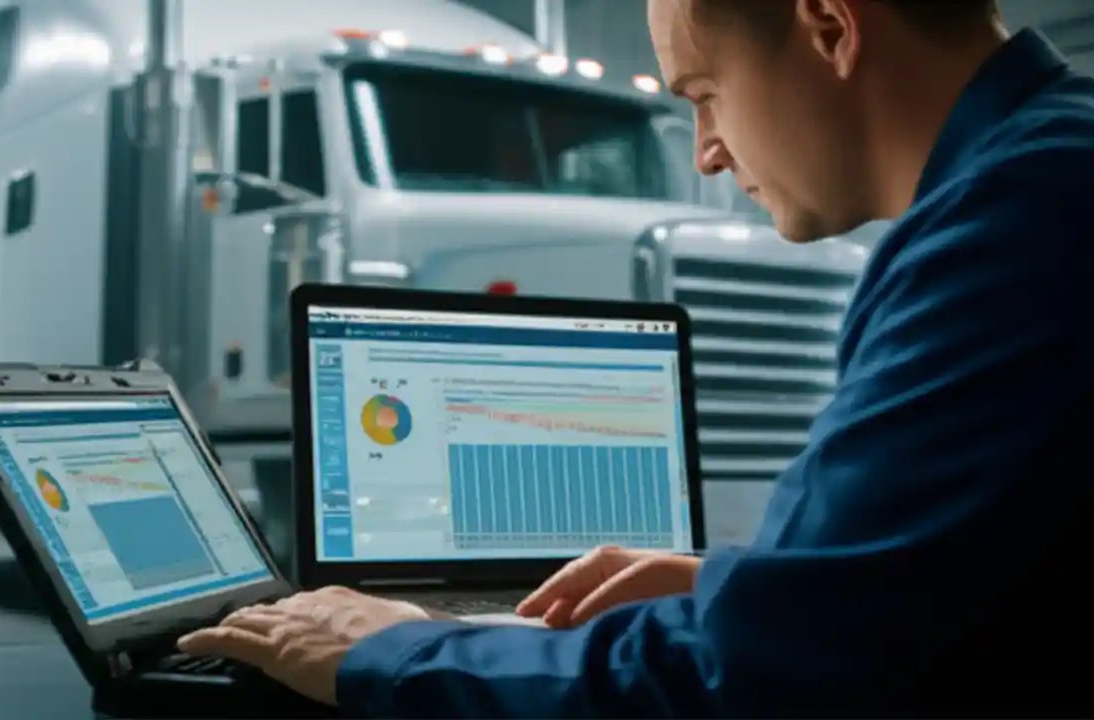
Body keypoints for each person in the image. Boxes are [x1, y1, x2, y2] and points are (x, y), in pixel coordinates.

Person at [178, 0, 1094, 715]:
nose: (704, 155)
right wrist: (762, 584)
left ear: (828, 26)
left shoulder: (1014, 224)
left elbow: (748, 684)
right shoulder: (1050, 161)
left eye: (703, 94)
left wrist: (388, 650)